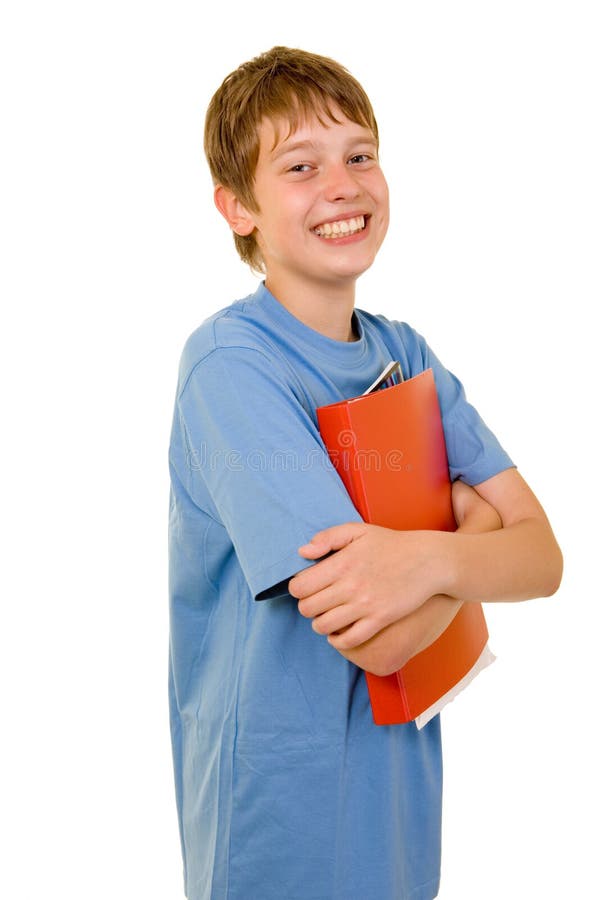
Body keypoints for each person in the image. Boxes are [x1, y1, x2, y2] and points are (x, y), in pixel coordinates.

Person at [168, 46, 562, 900]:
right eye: (301, 166)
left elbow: (545, 560)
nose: (343, 185)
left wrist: (422, 561)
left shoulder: (404, 353)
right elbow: (379, 639)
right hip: (280, 813)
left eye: (360, 155)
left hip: (398, 804)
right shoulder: (233, 367)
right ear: (237, 208)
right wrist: (472, 525)